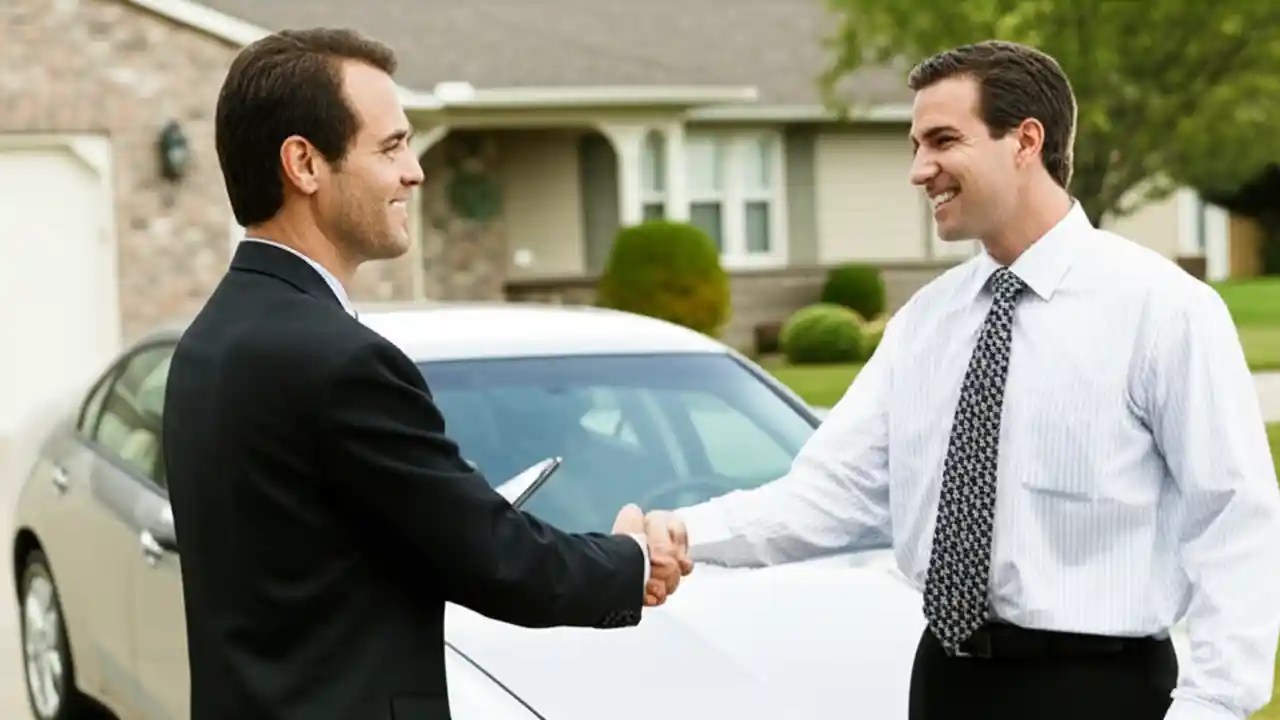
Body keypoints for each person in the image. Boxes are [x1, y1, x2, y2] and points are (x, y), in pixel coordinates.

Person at [644, 40, 1280, 720]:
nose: (920, 170)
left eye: (943, 140)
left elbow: (1235, 519)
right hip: (946, 685)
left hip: (1100, 693)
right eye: (915, 145)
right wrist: (683, 532)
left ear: (1026, 141)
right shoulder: (926, 322)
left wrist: (1212, 705)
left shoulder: (1163, 311)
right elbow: (832, 494)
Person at [161, 28, 690, 720]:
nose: (414, 171)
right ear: (305, 164)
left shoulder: (206, 344)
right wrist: (631, 564)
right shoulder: (341, 362)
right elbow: (494, 558)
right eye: (390, 147)